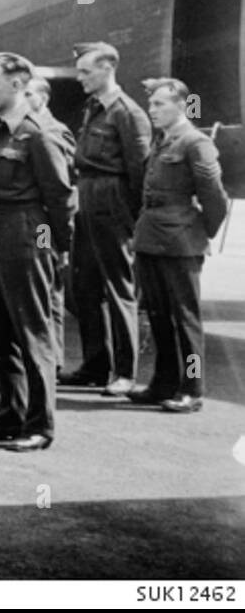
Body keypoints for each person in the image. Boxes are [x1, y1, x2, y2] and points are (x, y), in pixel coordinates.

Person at [0, 54, 75, 451]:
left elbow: (59, 199)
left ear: (17, 86)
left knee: (33, 331)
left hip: (25, 234)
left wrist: (54, 250)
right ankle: (9, 416)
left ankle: (40, 424)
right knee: (0, 333)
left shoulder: (38, 135)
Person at [129, 79, 229, 412]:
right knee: (157, 315)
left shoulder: (195, 142)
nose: (152, 110)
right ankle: (163, 382)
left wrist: (200, 232)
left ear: (183, 106)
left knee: (186, 319)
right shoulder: (163, 140)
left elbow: (215, 198)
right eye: (152, 104)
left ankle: (193, 386)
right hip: (151, 237)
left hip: (180, 242)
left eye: (160, 104)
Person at [61, 42, 152, 395]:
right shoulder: (93, 109)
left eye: (86, 72)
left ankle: (125, 372)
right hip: (87, 202)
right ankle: (95, 364)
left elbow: (139, 172)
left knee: (119, 289)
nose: (80, 78)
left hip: (111, 206)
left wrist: (128, 218)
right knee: (83, 287)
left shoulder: (128, 113)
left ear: (108, 68)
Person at [26, 76, 76, 372]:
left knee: (50, 286)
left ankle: (54, 358)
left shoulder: (54, 131)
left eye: (30, 93)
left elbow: (63, 186)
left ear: (42, 98)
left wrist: (63, 239)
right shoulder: (28, 128)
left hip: (46, 222)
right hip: (33, 220)